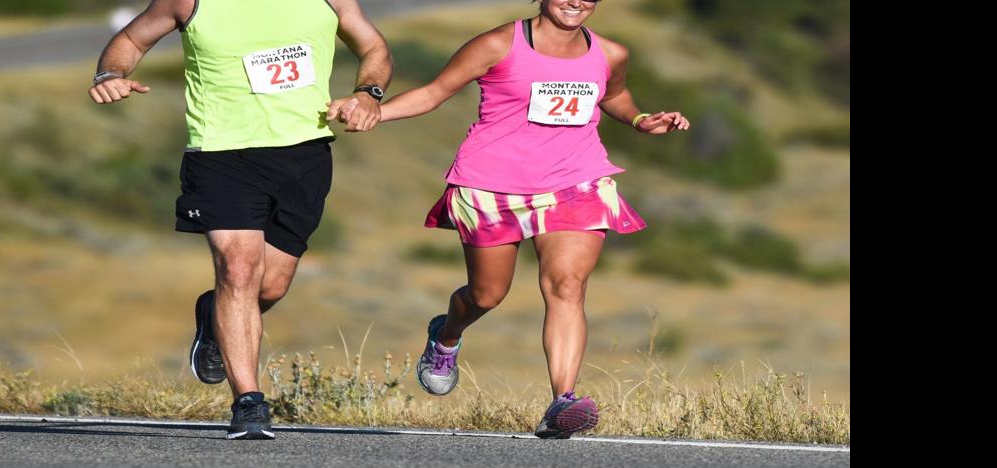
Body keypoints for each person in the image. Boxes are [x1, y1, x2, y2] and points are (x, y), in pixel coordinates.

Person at [379, 0, 688, 439]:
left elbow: (614, 95)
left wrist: (639, 120)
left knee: (567, 285)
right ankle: (446, 336)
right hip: (491, 185)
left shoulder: (611, 52)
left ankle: (562, 402)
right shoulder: (497, 43)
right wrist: (375, 110)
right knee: (486, 295)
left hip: (575, 181)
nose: (577, 2)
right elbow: (434, 92)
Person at [90, 0, 392, 440]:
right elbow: (129, 40)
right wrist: (109, 76)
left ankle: (214, 316)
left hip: (304, 155)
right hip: (220, 153)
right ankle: (249, 403)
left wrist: (368, 93)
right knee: (238, 269)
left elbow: (375, 49)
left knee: (270, 286)